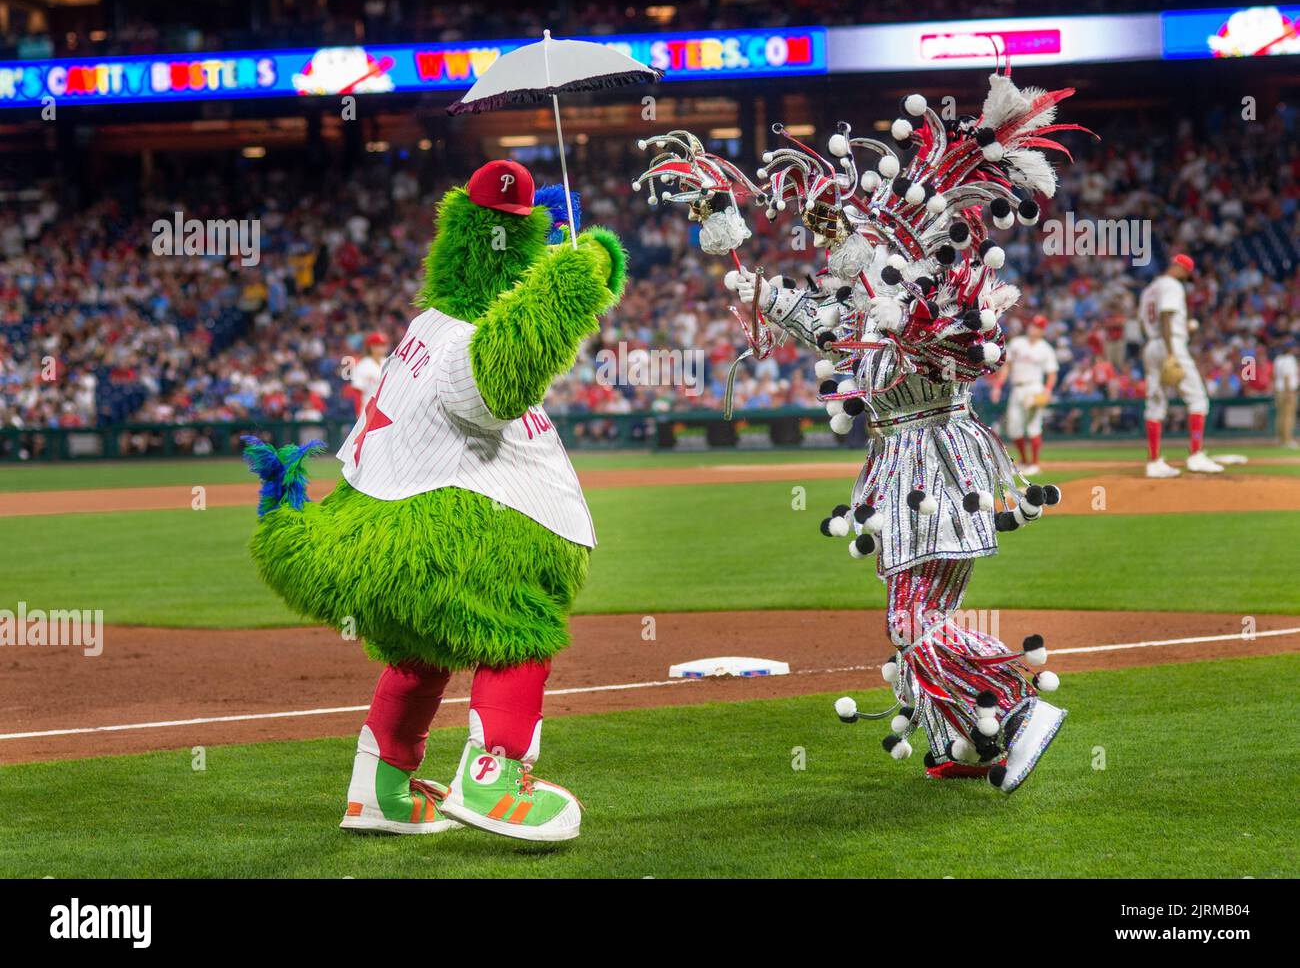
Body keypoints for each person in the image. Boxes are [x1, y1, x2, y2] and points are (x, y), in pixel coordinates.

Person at [646, 67, 1077, 793]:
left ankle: (1021, 703)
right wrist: (758, 287)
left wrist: (890, 320)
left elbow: (935, 344)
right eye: (818, 228)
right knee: (912, 616)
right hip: (902, 469)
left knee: (914, 623)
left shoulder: (926, 293)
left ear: (873, 236)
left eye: (830, 227)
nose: (822, 242)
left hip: (938, 466)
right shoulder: (864, 304)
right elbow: (824, 323)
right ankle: (964, 736)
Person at [241, 161, 627, 841]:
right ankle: (494, 778)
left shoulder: (422, 329)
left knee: (423, 649)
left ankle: (382, 786)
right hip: (435, 532)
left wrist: (544, 249)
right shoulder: (460, 344)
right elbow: (496, 380)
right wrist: (576, 277)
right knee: (516, 625)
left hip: (373, 535)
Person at [1138, 253, 1222, 477]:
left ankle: (1153, 462)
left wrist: (1182, 329)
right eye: (1186, 273)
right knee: (1198, 399)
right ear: (1182, 269)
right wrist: (1172, 353)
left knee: (1155, 404)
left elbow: (1146, 322)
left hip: (1152, 344)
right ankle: (1196, 456)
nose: (1185, 277)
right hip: (1170, 344)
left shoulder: (1149, 289)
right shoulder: (1173, 285)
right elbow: (1166, 316)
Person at [992, 314, 1058, 475]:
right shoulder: (1017, 343)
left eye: (1037, 327)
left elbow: (1052, 373)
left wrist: (1047, 390)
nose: (1033, 328)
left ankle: (1034, 464)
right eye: (1032, 325)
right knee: (1014, 427)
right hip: (1017, 388)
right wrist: (998, 386)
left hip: (1034, 388)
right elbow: (1007, 367)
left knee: (1033, 426)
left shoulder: (1045, 348)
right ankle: (1024, 462)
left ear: (1042, 331)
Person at [350, 331, 388, 415]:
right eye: (379, 345)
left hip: (386, 410)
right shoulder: (362, 365)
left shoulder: (388, 363)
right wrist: (358, 413)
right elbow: (357, 391)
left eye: (384, 345)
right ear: (371, 347)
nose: (383, 348)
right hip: (367, 410)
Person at [1275, 341, 1299, 448]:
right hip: (1287, 390)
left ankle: (1281, 439)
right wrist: (1288, 392)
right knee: (1288, 416)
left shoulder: (1278, 359)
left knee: (1281, 416)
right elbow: (1287, 376)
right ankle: (1287, 440)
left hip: (1279, 390)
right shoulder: (1290, 359)